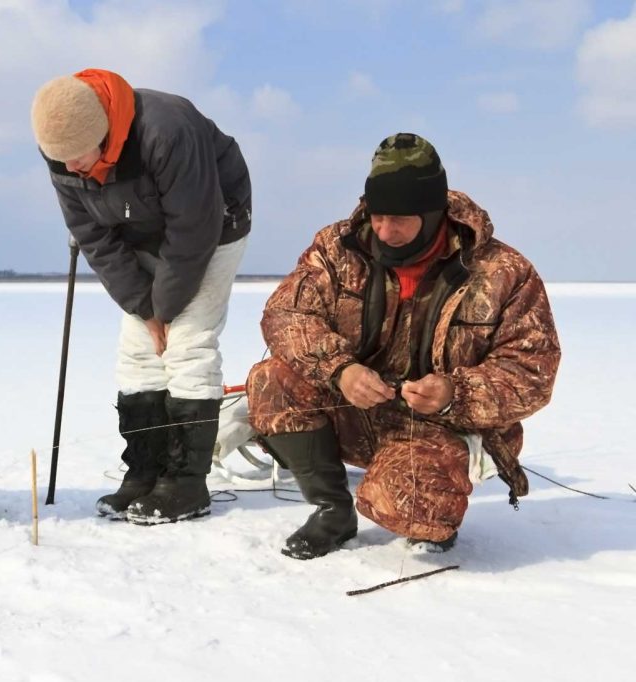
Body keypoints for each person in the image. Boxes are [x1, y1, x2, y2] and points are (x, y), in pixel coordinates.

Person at [246, 133, 560, 559]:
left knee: (404, 506)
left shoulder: (504, 272)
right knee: (272, 381)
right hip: (357, 409)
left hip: (441, 428)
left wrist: (454, 394)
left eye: (400, 220)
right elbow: (286, 314)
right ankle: (332, 511)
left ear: (432, 215)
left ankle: (432, 516)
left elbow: (531, 372)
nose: (384, 231)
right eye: (377, 216)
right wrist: (341, 371)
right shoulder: (337, 248)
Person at [30, 69, 251, 524]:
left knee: (187, 342)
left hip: (213, 227)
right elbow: (94, 237)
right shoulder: (61, 149)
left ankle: (186, 484)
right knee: (137, 354)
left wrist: (164, 311)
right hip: (139, 230)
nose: (71, 170)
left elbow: (191, 233)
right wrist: (143, 308)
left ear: (102, 134)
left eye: (78, 160)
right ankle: (145, 473)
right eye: (61, 162)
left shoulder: (167, 131)